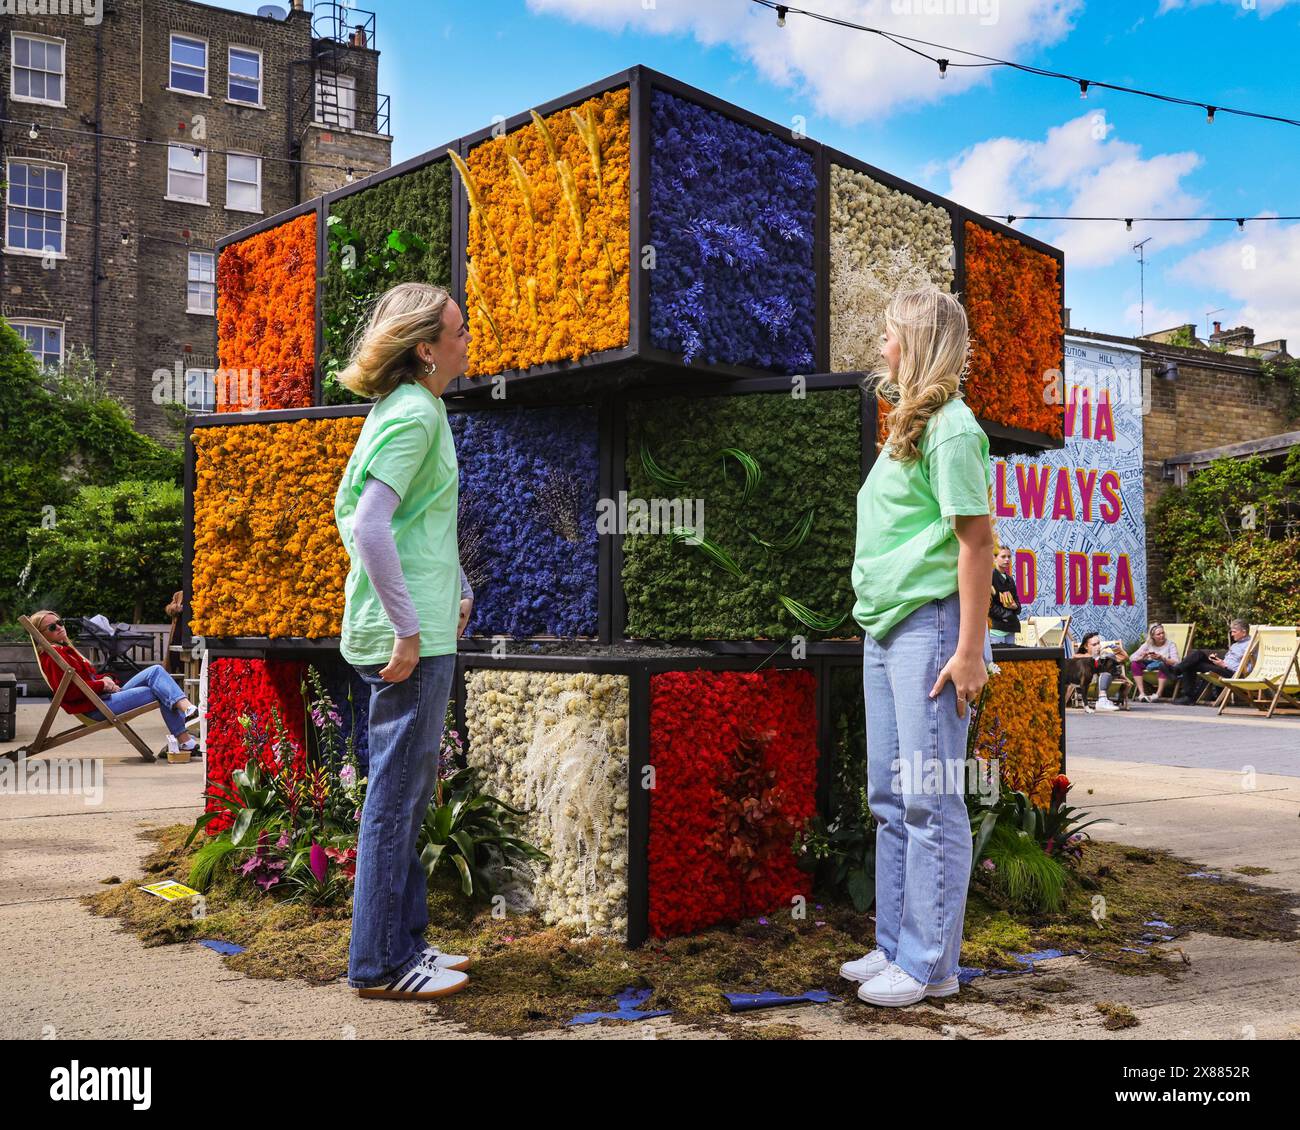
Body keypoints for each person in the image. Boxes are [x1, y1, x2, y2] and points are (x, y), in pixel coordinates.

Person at [840, 286, 994, 1008]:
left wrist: (969, 650)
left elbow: (977, 544)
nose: (881, 348)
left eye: (891, 336)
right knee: (891, 799)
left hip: (930, 629)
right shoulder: (911, 426)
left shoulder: (954, 430)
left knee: (930, 800)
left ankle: (932, 966)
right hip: (886, 628)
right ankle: (897, 947)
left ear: (920, 343)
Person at [333, 282, 477, 1002]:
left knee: (406, 796)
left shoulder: (408, 409)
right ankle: (380, 966)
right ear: (425, 348)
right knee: (394, 801)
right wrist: (409, 625)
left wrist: (451, 585)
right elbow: (367, 524)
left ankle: (406, 945)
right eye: (457, 330)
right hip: (407, 643)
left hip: (405, 628)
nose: (466, 339)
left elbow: (374, 517)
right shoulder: (415, 414)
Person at [32, 610, 198, 751]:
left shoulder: (64, 651)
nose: (59, 627)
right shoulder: (52, 658)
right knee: (158, 690)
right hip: (97, 708)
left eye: (59, 622)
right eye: (52, 627)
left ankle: (187, 712)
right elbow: (69, 693)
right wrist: (102, 684)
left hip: (101, 699)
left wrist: (106, 679)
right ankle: (186, 733)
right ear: (41, 635)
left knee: (156, 671)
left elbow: (87, 679)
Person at [1169, 619, 1252, 704]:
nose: (1232, 634)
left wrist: (1225, 665)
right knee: (1198, 654)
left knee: (1192, 664)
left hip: (1233, 673)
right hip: (1222, 667)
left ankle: (1185, 691)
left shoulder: (1251, 645)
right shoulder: (1236, 644)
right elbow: (1230, 660)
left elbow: (1248, 668)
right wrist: (1217, 659)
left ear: (1244, 632)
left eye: (1234, 632)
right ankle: (1177, 671)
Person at [1065, 631, 1127, 713]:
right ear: (1086, 647)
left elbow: (1124, 657)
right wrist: (1095, 657)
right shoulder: (1082, 658)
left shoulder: (1104, 656)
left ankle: (1102, 699)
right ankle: (1101, 700)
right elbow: (1075, 656)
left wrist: (1116, 649)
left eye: (1098, 643)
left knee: (1109, 661)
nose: (1098, 647)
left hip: (1103, 683)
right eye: (1094, 645)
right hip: (1089, 684)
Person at [1129, 622, 1180, 702]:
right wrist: (1141, 658)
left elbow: (1176, 662)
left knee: (1163, 665)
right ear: (1153, 636)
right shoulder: (1148, 644)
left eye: (1163, 633)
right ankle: (1142, 693)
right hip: (1150, 666)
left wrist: (1162, 658)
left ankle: (1158, 694)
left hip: (1165, 669)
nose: (1162, 635)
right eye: (1158, 634)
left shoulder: (1171, 645)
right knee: (1134, 664)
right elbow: (1131, 657)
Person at [988, 544, 1021, 645]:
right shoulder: (990, 576)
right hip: (996, 629)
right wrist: (1008, 614)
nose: (1007, 559)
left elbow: (1018, 605)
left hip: (1010, 628)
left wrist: (1015, 606)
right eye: (1003, 556)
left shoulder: (1010, 579)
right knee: (998, 660)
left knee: (1010, 659)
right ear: (995, 558)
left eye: (1009, 557)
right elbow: (989, 605)